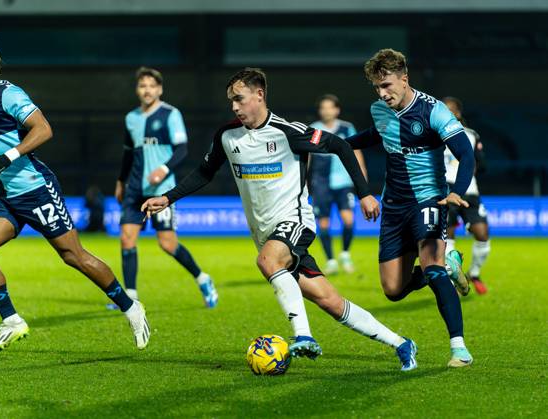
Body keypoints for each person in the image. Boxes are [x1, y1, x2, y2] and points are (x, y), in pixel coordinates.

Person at [143, 68, 419, 371]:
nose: (234, 106)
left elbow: (340, 145)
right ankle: (401, 343)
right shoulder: (227, 135)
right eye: (231, 101)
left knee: (267, 261)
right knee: (330, 301)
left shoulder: (288, 132)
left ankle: (303, 336)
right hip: (265, 233)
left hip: (295, 222)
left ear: (259, 95)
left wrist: (365, 193)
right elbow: (205, 173)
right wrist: (168, 197)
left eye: (239, 99)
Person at [0, 34, 150, 352]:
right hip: (6, 195)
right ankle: (12, 321)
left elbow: (44, 129)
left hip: (36, 190)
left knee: (73, 256)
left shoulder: (9, 94)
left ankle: (131, 308)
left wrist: (5, 158)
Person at [344, 49, 475, 367]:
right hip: (393, 206)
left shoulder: (434, 110)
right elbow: (377, 135)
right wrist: (340, 144)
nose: (382, 93)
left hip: (430, 200)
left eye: (387, 85)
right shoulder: (379, 109)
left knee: (430, 266)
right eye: (377, 87)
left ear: (405, 78)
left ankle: (459, 348)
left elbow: (465, 153)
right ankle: (447, 267)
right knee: (392, 289)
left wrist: (457, 192)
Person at [114, 67, 217, 308]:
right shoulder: (131, 118)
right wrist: (120, 181)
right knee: (127, 239)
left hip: (162, 191)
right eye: (142, 85)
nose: (147, 90)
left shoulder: (171, 114)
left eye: (151, 85)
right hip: (134, 189)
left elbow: (182, 149)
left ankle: (202, 278)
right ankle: (130, 295)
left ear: (159, 89)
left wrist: (162, 169)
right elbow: (128, 154)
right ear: (137, 90)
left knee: (167, 243)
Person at [309, 94, 367, 274]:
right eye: (323, 107)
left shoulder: (346, 128)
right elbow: (308, 155)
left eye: (330, 107)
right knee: (324, 223)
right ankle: (331, 260)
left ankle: (345, 253)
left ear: (337, 109)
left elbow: (355, 150)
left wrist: (362, 174)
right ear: (320, 111)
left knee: (348, 219)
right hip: (320, 181)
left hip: (343, 181)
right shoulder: (313, 129)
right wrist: (304, 179)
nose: (327, 111)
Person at [442, 97, 490, 295]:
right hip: (445, 190)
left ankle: (474, 273)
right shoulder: (434, 135)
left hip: (469, 192)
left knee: (482, 234)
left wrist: (465, 173)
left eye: (448, 111)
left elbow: (481, 164)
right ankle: (454, 279)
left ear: (458, 113)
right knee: (448, 235)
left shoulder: (471, 135)